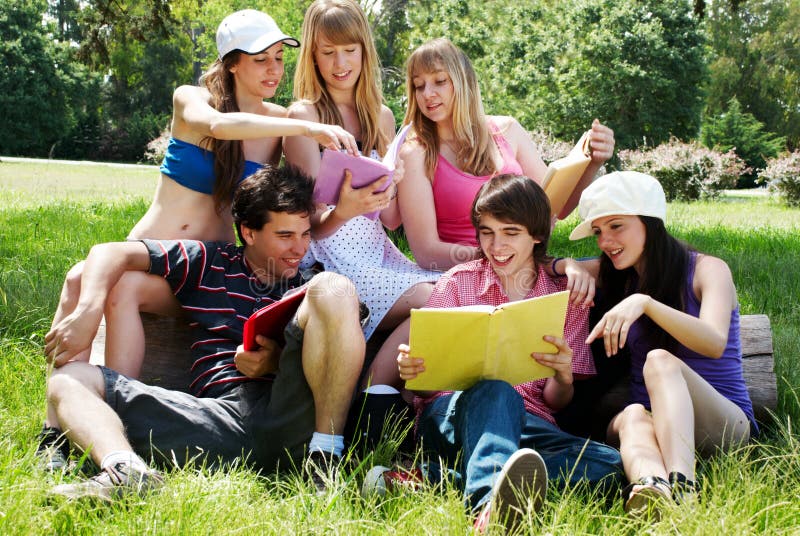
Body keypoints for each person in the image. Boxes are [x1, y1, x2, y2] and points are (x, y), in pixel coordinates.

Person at [48, 9, 358, 377]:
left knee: (119, 286)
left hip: (207, 270)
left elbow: (298, 200)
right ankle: (62, 397)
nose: (274, 69)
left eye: (278, 58)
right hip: (152, 248)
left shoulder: (281, 124)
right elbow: (218, 125)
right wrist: (306, 129)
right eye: (260, 59)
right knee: (78, 278)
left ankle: (117, 394)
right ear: (232, 64)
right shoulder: (192, 98)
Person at [41, 165, 366, 500]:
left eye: (305, 234)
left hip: (289, 418)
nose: (299, 249)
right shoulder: (210, 263)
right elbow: (109, 252)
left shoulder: (310, 285)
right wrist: (87, 311)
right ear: (249, 232)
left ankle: (325, 460)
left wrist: (276, 362)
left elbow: (339, 342)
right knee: (68, 379)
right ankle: (127, 472)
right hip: (215, 421)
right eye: (285, 236)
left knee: (335, 286)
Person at [383, 175, 623, 532]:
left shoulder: (564, 298)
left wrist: (562, 375)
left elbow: (556, 401)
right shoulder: (457, 282)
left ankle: (436, 479)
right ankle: (489, 508)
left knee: (610, 464)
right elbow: (423, 390)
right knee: (496, 389)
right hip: (453, 418)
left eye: (510, 233)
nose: (496, 246)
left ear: (536, 235)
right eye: (487, 232)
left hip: (530, 424)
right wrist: (415, 372)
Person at [283, 0, 439, 445]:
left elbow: (389, 219)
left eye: (350, 50)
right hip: (332, 257)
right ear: (313, 55)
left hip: (377, 251)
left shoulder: (381, 116)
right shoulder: (304, 117)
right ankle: (373, 397)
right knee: (437, 298)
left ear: (364, 51)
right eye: (328, 52)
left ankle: (391, 400)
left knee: (453, 290)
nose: (340, 63)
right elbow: (308, 225)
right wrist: (345, 210)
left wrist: (396, 182)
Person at [569, 171, 756, 515]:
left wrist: (646, 304)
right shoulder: (618, 273)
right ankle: (651, 488)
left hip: (721, 423)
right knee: (632, 414)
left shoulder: (709, 270)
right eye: (597, 231)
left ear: (650, 221)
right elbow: (547, 265)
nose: (605, 241)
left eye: (616, 226)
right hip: (648, 427)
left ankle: (684, 489)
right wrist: (569, 266)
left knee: (660, 360)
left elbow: (714, 342)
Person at [397, 37, 615, 275]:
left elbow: (554, 207)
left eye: (439, 81)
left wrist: (593, 163)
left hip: (526, 269)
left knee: (613, 272)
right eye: (419, 86)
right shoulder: (415, 154)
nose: (427, 94)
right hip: (467, 276)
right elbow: (427, 252)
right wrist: (502, 255)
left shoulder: (507, 130)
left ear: (464, 82)